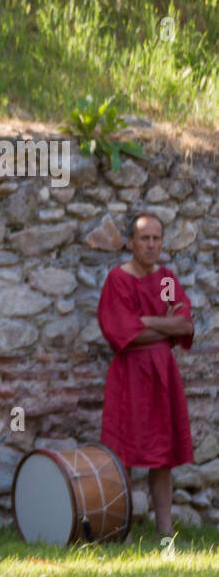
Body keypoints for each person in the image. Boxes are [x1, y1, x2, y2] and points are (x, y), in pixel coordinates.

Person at [97, 212, 194, 535]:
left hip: (163, 375)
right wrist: (160, 326)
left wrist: (147, 321)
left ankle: (165, 534)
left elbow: (184, 324)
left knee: (162, 454)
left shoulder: (165, 280)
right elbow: (123, 332)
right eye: (144, 239)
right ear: (130, 242)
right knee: (122, 449)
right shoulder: (118, 280)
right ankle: (117, 529)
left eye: (156, 239)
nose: (151, 245)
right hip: (130, 374)